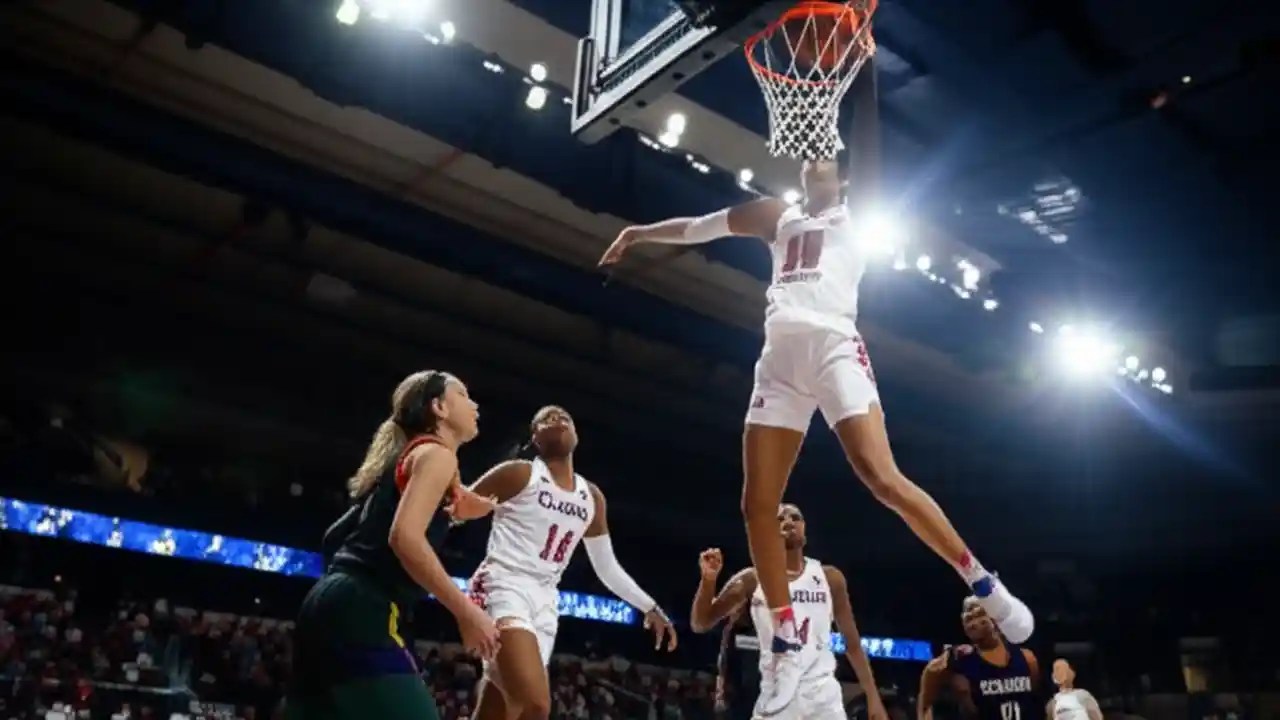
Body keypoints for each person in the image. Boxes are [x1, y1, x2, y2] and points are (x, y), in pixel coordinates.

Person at [598, 144, 1034, 715]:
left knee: (881, 477)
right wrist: (638, 232)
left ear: (846, 174)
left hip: (834, 347)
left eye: (827, 154)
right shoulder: (776, 213)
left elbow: (872, 137)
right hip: (778, 360)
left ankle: (982, 582)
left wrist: (867, 67)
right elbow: (701, 228)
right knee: (758, 504)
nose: (813, 158)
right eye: (810, 153)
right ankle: (783, 637)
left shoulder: (856, 215)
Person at [285, 370, 501, 720]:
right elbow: (404, 538)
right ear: (439, 408)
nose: (474, 404)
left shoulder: (403, 461)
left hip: (325, 603)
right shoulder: (438, 455)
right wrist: (467, 612)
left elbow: (333, 538)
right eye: (463, 394)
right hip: (364, 608)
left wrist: (464, 508)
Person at [461, 405, 677, 720]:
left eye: (565, 417)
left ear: (576, 435)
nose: (557, 419)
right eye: (546, 419)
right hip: (502, 583)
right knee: (536, 705)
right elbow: (457, 509)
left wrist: (649, 606)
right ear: (535, 438)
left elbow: (606, 567)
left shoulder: (591, 497)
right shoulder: (519, 473)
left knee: (499, 708)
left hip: (547, 601)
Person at [690, 503, 888, 720]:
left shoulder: (830, 578)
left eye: (796, 517)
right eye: (781, 518)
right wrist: (708, 580)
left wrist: (873, 696)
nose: (789, 521)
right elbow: (700, 623)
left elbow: (852, 643)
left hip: (823, 701)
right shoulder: (751, 579)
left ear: (804, 527)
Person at [916, 598, 1041, 720]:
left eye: (980, 614)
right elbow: (925, 703)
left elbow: (1035, 700)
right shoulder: (956, 660)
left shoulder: (1026, 658)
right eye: (969, 618)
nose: (974, 622)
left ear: (995, 618)